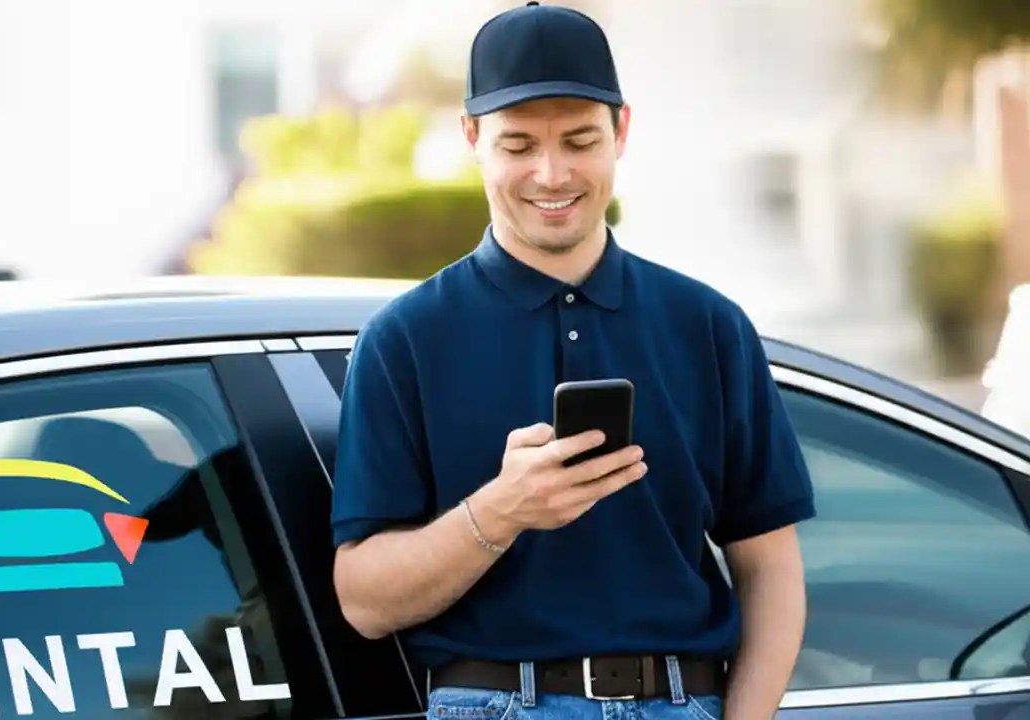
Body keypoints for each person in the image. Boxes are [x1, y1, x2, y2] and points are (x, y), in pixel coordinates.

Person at [329, 2, 816, 720]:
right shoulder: (404, 340)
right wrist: (501, 511)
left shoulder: (708, 326)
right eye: (519, 145)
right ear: (472, 138)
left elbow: (769, 565)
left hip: (682, 704)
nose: (551, 174)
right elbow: (364, 601)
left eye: (580, 140)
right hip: (495, 706)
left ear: (622, 131)